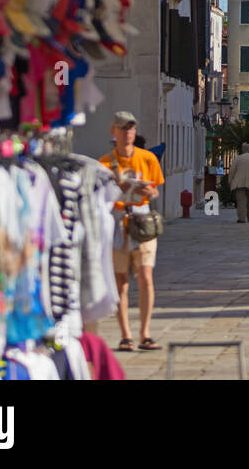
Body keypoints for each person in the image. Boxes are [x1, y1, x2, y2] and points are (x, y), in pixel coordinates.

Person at [101, 111, 165, 352]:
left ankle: (145, 333)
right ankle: (126, 335)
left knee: (146, 276)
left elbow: (156, 191)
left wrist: (148, 192)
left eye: (131, 128)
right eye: (123, 128)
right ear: (113, 131)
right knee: (121, 281)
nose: (128, 132)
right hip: (117, 222)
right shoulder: (104, 164)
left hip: (142, 221)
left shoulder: (148, 159)